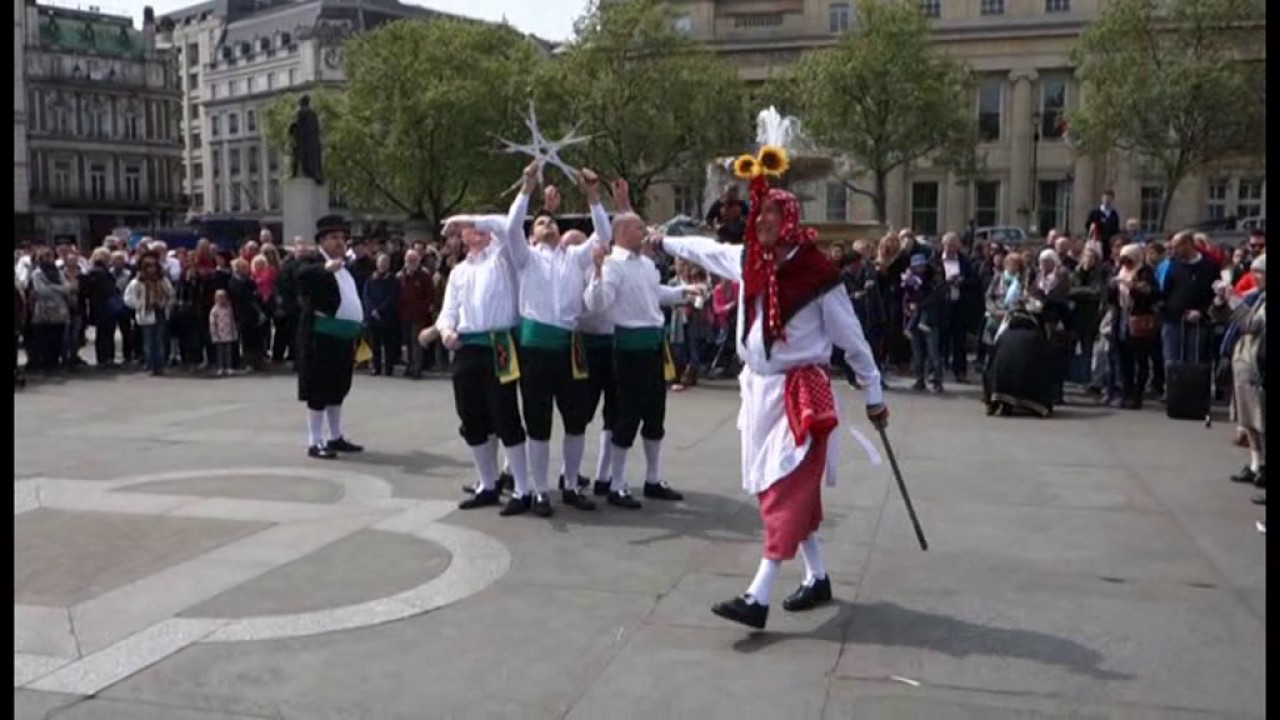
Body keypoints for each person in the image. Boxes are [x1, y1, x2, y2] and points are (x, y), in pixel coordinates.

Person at [657, 144, 886, 630]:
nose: (758, 223)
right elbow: (706, 249)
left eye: (768, 215)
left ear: (788, 218)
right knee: (777, 485)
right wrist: (661, 240)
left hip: (801, 392)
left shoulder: (817, 273)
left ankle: (758, 595)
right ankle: (818, 576)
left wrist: (874, 394)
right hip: (758, 392)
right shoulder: (751, 261)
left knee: (784, 487)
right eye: (757, 215)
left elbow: (853, 339)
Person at [436, 165, 536, 516]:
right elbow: (448, 310)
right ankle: (488, 483)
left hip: (499, 344)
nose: (470, 232)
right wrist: (446, 330)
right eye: (466, 230)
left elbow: (507, 224)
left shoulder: (504, 258)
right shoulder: (460, 271)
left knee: (505, 413)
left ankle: (523, 489)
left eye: (474, 228)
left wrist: (524, 188)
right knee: (472, 418)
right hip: (467, 347)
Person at [584, 213, 698, 509]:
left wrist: (682, 292)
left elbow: (654, 294)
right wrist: (597, 270)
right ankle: (617, 483)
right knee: (627, 414)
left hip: (652, 345)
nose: (645, 232)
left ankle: (652, 478)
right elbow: (598, 304)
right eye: (639, 227)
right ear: (621, 232)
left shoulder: (647, 265)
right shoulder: (612, 265)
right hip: (628, 346)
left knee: (655, 413)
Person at [295, 215, 366, 460]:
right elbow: (299, 275)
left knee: (338, 386)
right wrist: (325, 268)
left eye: (342, 238)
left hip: (343, 336)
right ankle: (315, 441)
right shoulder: (314, 261)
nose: (340, 242)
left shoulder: (345, 265)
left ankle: (335, 436)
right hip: (321, 335)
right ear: (322, 241)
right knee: (319, 387)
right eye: (334, 238)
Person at [1214, 255, 1265, 501]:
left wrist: (1234, 300)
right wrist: (1223, 300)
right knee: (1248, 420)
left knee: (1260, 419)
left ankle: (1262, 466)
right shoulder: (1257, 296)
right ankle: (1256, 463)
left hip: (1257, 365)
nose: (1255, 277)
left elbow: (1252, 324)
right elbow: (1224, 316)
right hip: (1244, 361)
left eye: (1260, 273)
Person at [123, 251, 173, 376]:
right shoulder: (137, 282)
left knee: (160, 341)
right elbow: (127, 298)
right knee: (148, 341)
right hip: (146, 313)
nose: (152, 269)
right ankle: (150, 365)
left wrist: (165, 303)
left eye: (154, 266)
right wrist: (140, 305)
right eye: (148, 266)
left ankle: (160, 366)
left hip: (160, 312)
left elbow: (171, 294)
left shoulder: (163, 280)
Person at [1084, 190, 1121, 262]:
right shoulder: (1095, 212)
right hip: (1097, 242)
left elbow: (1116, 229)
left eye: (1110, 199)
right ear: (1102, 199)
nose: (1107, 201)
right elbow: (1088, 226)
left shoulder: (1114, 214)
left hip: (1109, 242)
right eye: (1106, 198)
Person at [209, 289, 238, 377]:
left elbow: (232, 321)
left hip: (228, 333)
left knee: (228, 352)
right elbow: (212, 323)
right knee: (220, 352)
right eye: (219, 298)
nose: (222, 300)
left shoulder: (229, 309)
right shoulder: (214, 310)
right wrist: (214, 334)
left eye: (223, 297)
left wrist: (234, 332)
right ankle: (220, 367)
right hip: (219, 335)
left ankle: (229, 367)